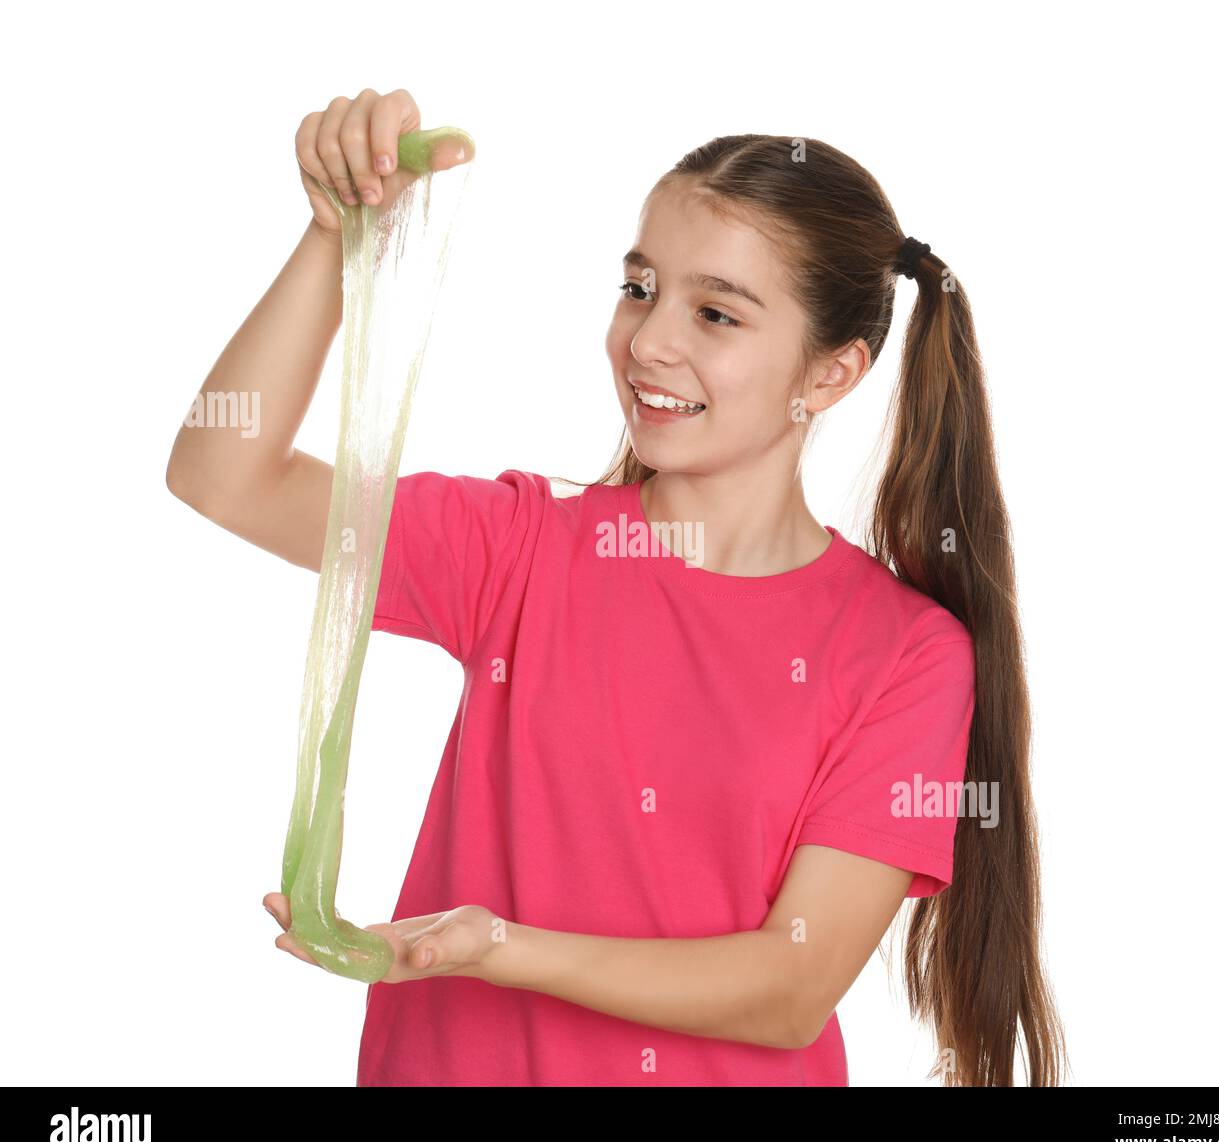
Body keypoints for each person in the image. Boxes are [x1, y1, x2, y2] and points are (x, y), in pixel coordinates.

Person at [166, 87, 1066, 1087]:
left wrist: (493, 947)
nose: (647, 341)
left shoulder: (908, 653)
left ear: (831, 374)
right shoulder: (518, 545)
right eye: (639, 288)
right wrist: (336, 239)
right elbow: (224, 475)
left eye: (714, 312)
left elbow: (790, 986)